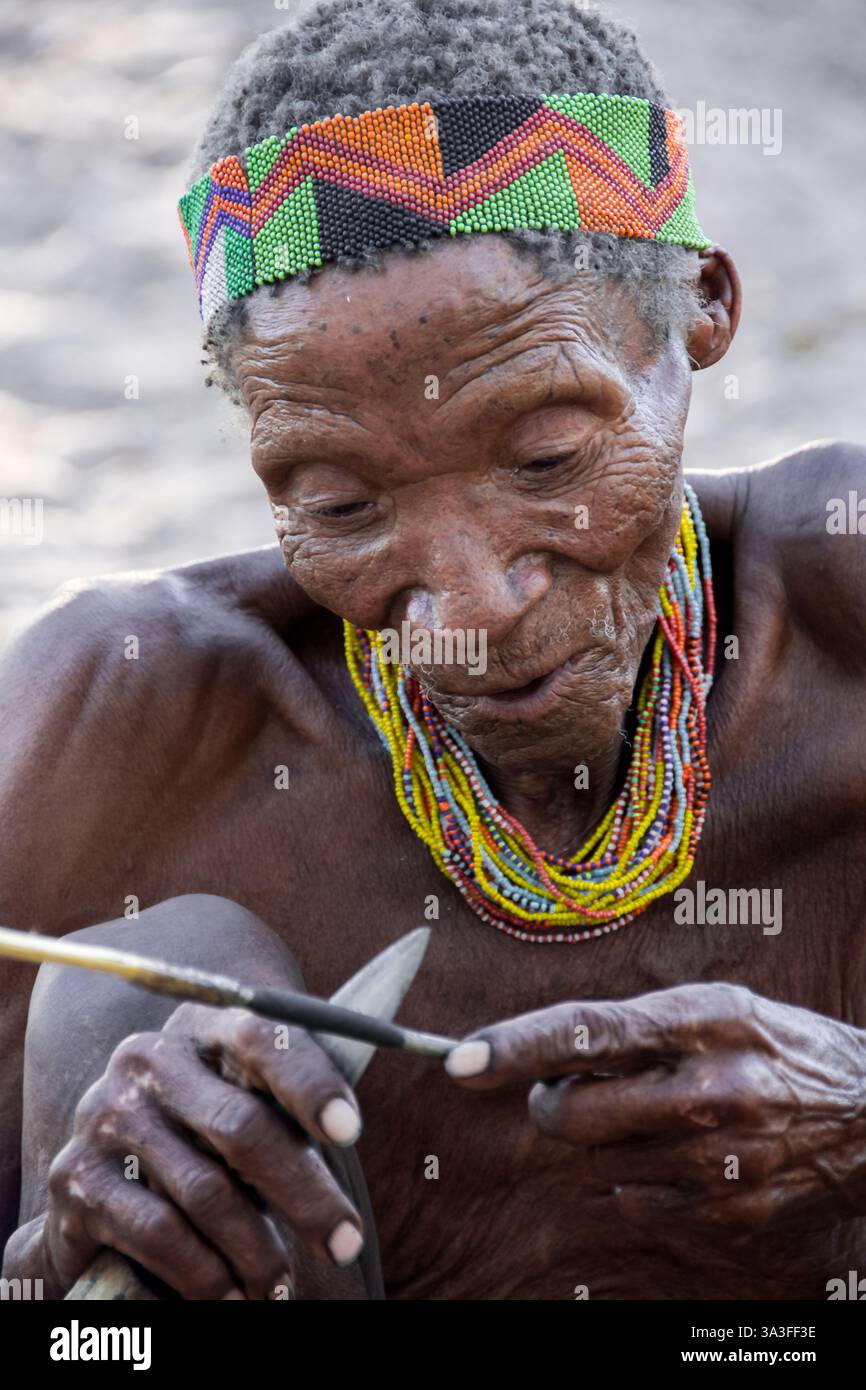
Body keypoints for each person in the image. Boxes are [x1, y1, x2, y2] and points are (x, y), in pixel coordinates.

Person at [2, 0, 865, 1301]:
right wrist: (55, 1281)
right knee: (130, 1005)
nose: (472, 599)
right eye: (343, 505)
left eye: (546, 459)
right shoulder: (118, 739)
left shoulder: (845, 612)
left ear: (701, 310)